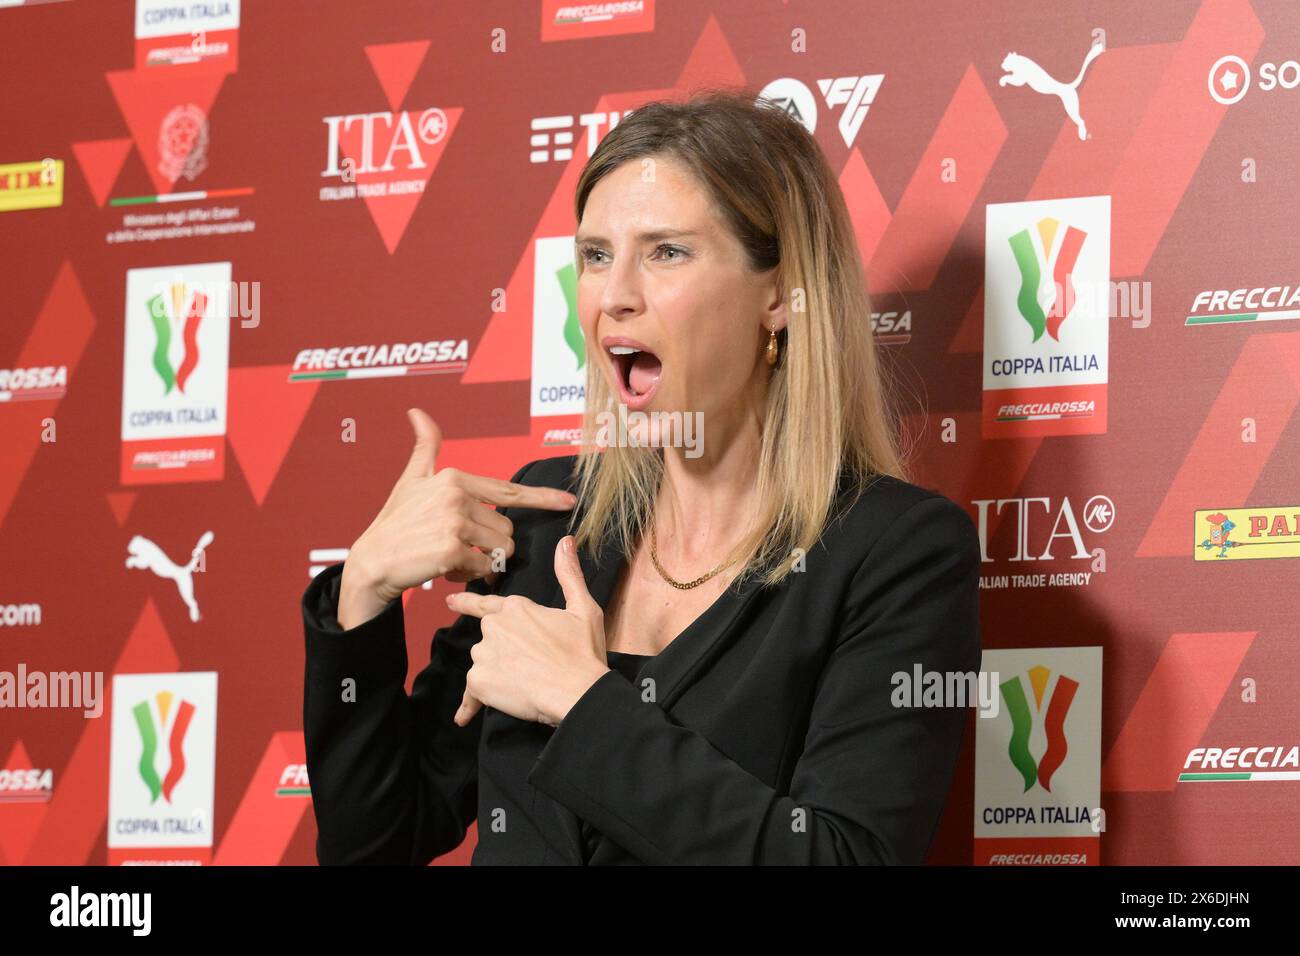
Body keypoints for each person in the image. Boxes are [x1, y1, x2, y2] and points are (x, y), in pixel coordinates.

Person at [300, 87, 982, 865]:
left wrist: (584, 706)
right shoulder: (547, 519)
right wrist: (361, 594)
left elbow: (844, 858)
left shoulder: (896, 552)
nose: (614, 297)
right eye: (595, 256)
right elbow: (375, 846)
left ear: (780, 295)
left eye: (667, 252)